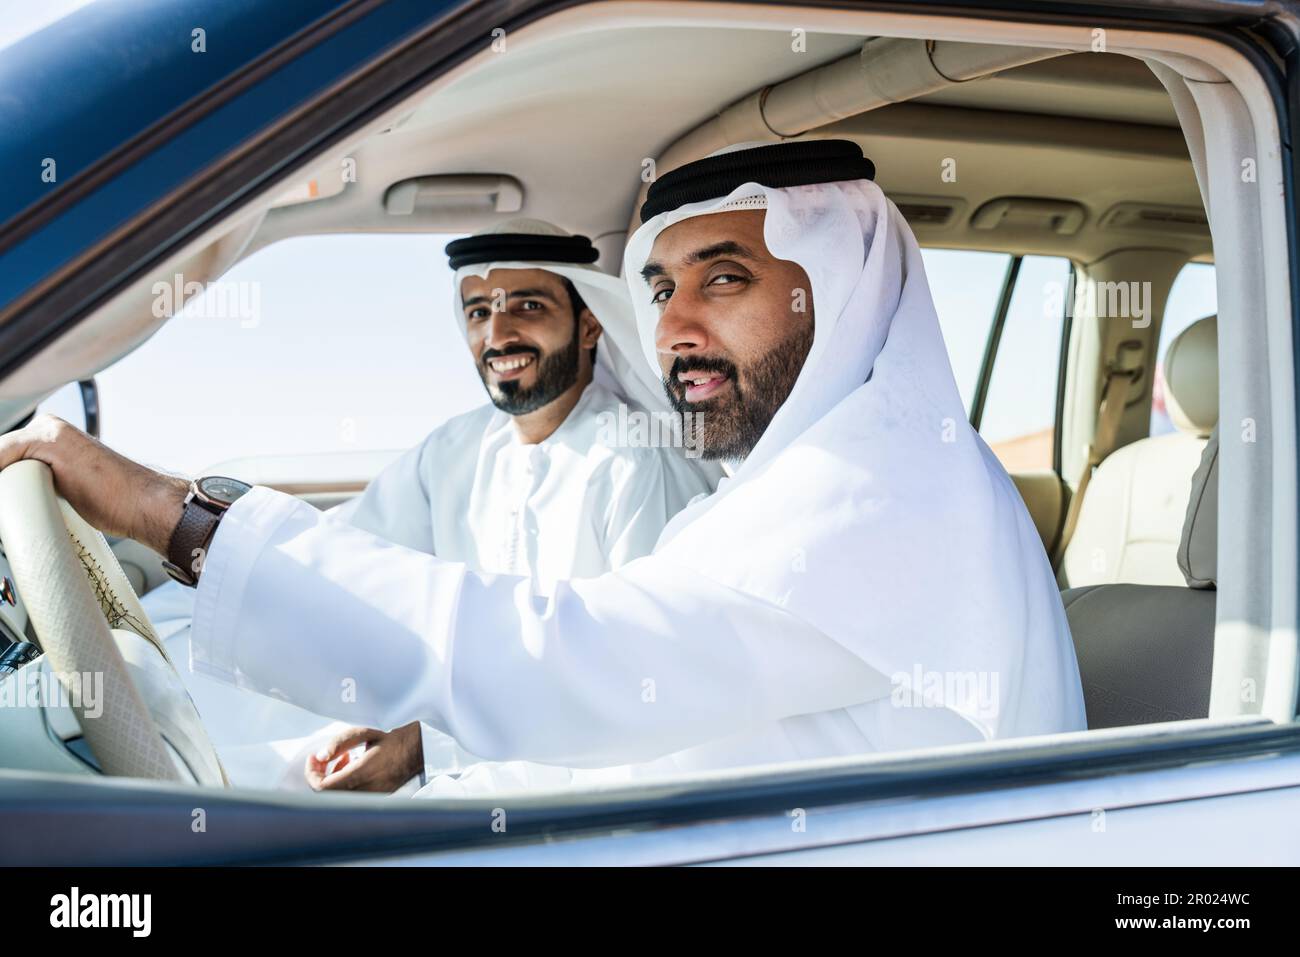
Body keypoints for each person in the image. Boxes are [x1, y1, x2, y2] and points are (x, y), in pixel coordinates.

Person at [0, 140, 1086, 796]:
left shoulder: (877, 495)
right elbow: (640, 733)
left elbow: (573, 659)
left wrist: (161, 510)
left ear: (836, 290)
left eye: (724, 278)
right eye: (660, 290)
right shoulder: (809, 478)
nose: (676, 327)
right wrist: (426, 778)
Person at [138, 219, 718, 790]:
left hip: (550, 762)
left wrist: (427, 748)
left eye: (528, 307)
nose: (499, 335)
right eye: (478, 312)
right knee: (214, 701)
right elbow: (348, 554)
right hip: (447, 716)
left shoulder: (638, 464)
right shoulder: (457, 447)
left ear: (589, 326)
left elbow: (626, 682)